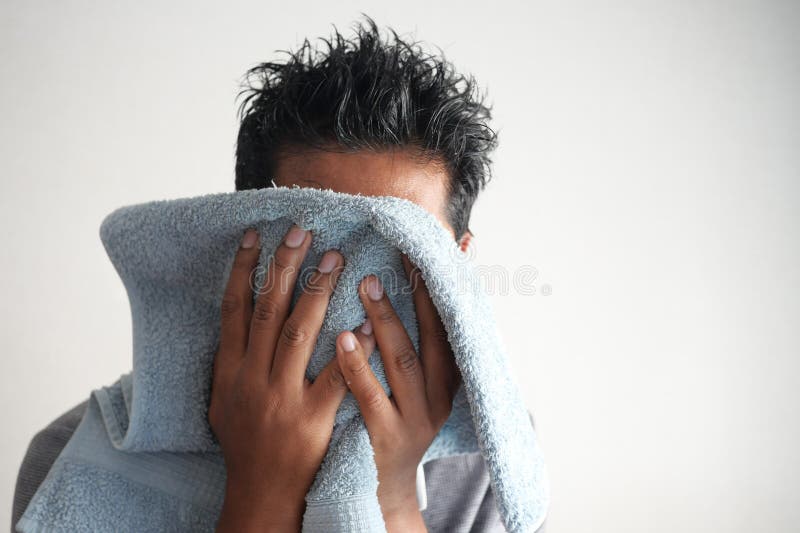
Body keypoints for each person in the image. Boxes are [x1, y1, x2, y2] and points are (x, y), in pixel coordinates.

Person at [12, 15, 546, 532]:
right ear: (247, 244)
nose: (358, 301)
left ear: (456, 271)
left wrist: (396, 498)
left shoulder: (496, 466)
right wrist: (260, 494)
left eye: (402, 251)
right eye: (328, 251)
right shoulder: (76, 457)